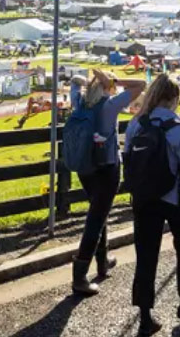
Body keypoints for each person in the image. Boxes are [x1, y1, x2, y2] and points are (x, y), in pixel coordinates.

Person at [124, 74, 180, 336]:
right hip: (176, 199)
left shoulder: (137, 124)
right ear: (174, 99)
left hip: (145, 199)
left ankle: (145, 316)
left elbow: (128, 159)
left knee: (146, 257)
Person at [69, 70, 146, 296]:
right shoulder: (109, 105)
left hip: (85, 166)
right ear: (108, 86)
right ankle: (79, 275)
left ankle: (102, 261)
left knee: (98, 212)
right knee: (96, 218)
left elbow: (74, 82)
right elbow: (141, 85)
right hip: (107, 167)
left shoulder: (79, 102)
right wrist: (115, 81)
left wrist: (86, 81)